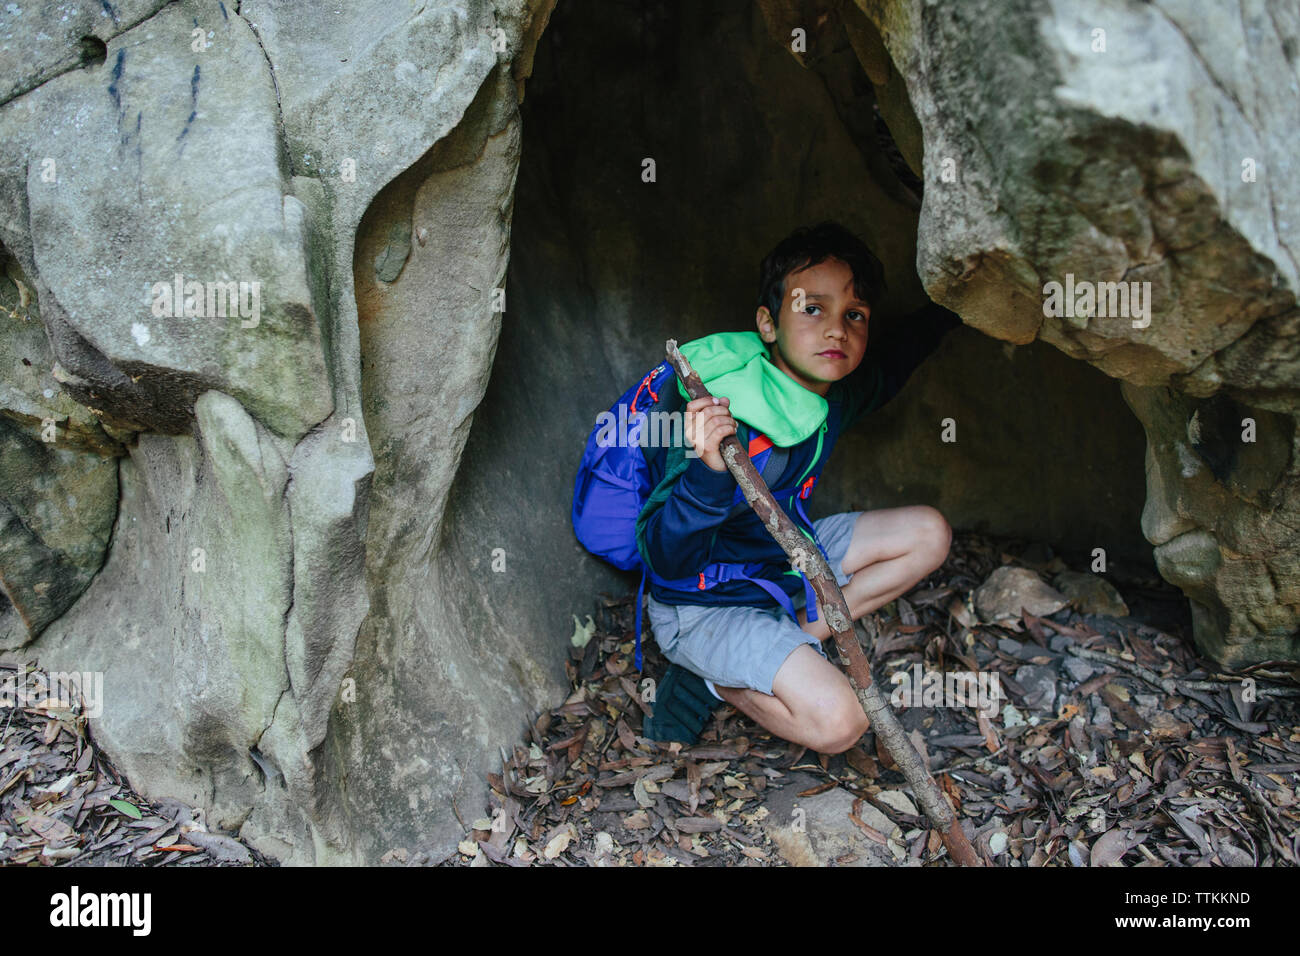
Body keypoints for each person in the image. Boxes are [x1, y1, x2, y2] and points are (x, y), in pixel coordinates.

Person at [637, 221, 960, 751]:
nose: (837, 330)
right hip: (706, 604)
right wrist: (709, 473)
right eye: (813, 308)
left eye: (853, 315)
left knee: (929, 533)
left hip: (787, 563)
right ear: (768, 323)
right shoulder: (726, 410)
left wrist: (953, 308)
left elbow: (891, 365)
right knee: (841, 723)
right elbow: (665, 559)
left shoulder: (827, 397)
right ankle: (716, 680)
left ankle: (797, 642)